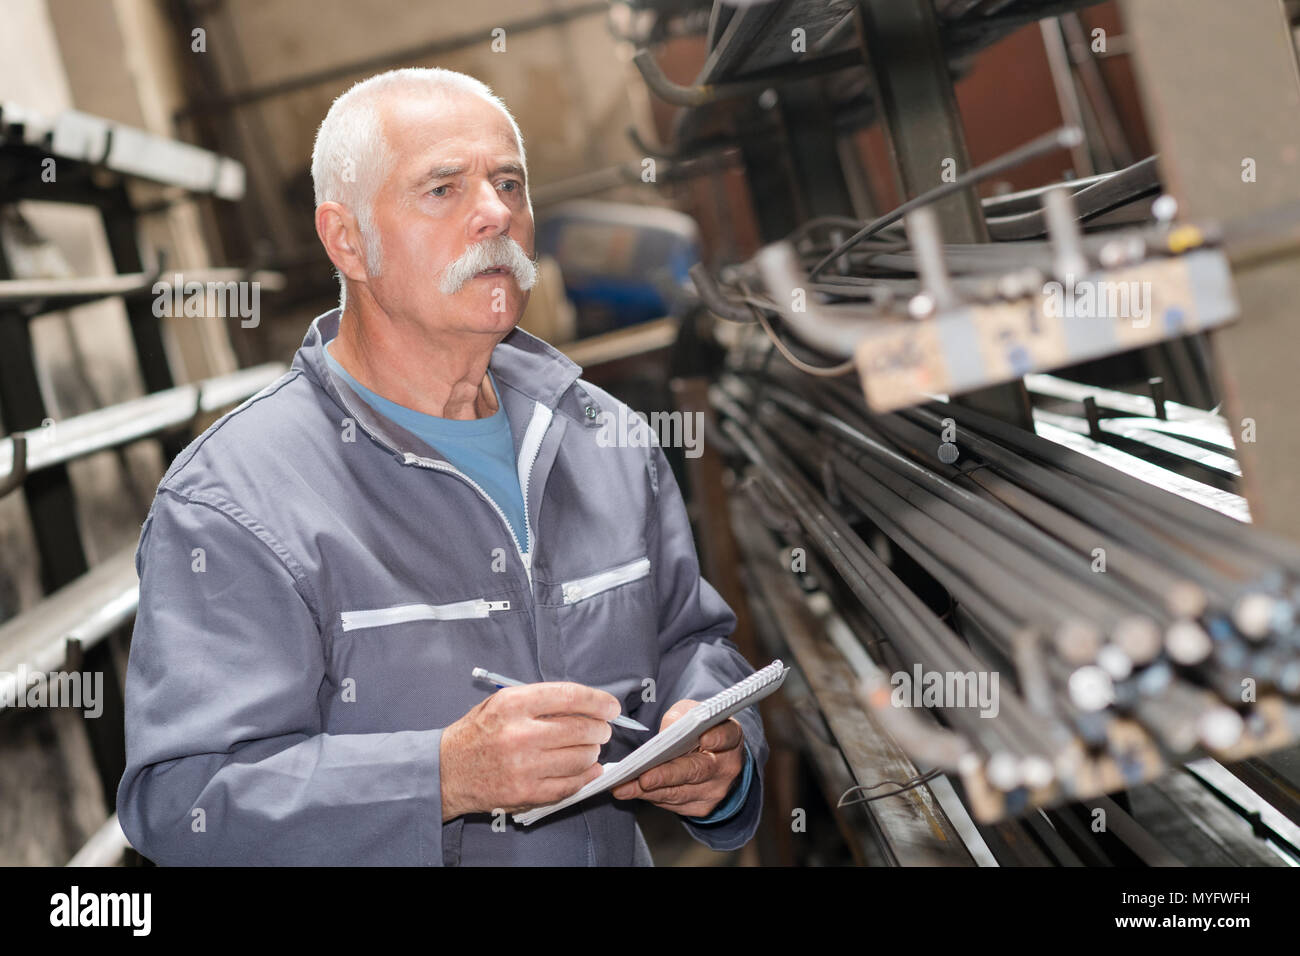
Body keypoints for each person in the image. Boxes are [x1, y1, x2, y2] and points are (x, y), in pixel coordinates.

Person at [115, 67, 767, 865]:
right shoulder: (231, 502)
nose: (496, 212)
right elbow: (186, 804)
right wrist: (441, 777)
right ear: (346, 239)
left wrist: (717, 749)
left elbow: (688, 641)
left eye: (509, 183)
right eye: (443, 189)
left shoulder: (605, 436)